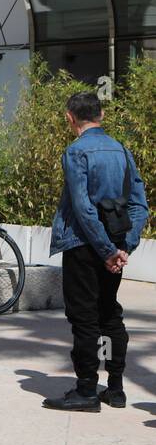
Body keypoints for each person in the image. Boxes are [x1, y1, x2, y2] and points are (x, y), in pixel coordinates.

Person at [43, 91, 149, 412]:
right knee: (109, 312)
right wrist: (123, 246)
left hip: (82, 245)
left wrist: (105, 249)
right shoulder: (122, 150)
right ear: (101, 115)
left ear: (69, 118)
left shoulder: (76, 152)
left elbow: (83, 208)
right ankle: (115, 389)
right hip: (114, 247)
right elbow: (139, 205)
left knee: (84, 316)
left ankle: (87, 389)